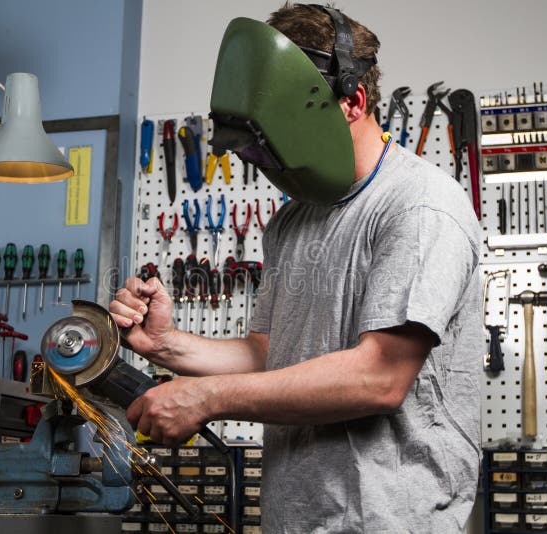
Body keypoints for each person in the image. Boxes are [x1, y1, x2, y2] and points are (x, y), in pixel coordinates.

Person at [111, 3, 482, 532]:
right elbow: (271, 354)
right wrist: (168, 345)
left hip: (390, 519)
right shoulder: (293, 220)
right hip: (297, 517)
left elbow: (380, 377)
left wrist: (205, 397)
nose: (270, 163)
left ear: (352, 102)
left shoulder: (419, 206)